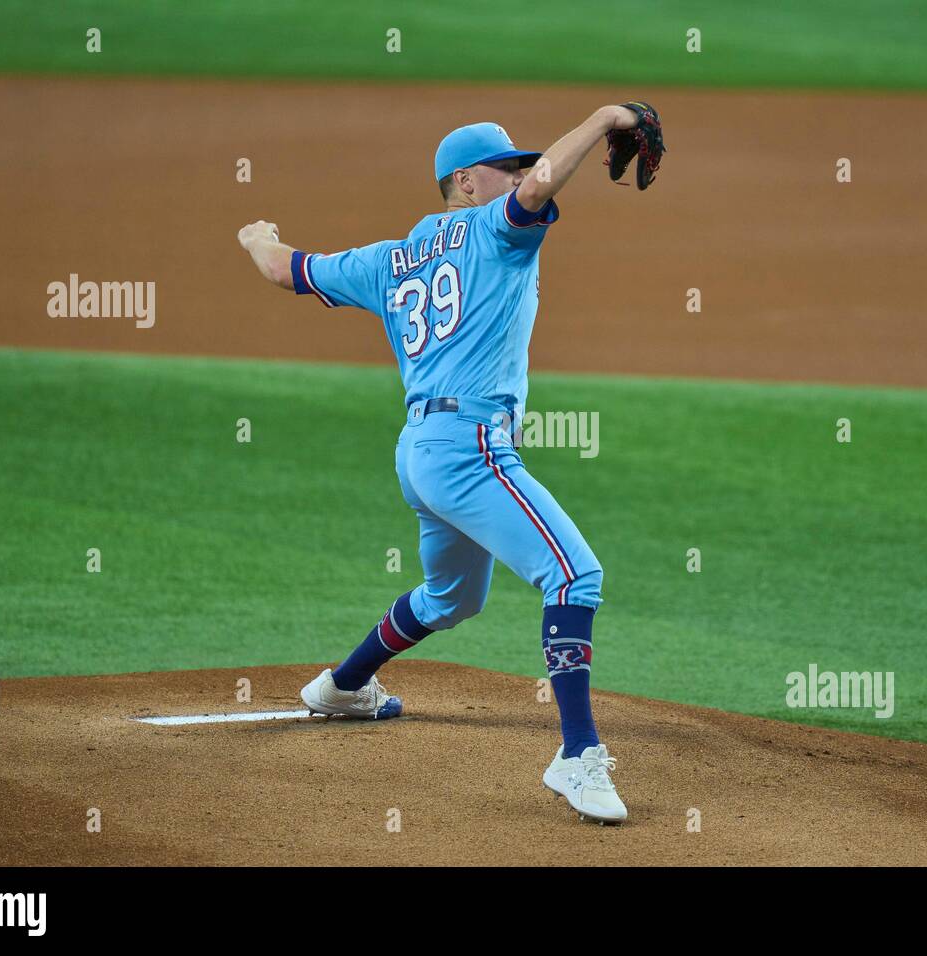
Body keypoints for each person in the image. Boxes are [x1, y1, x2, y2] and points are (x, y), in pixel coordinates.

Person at [237, 104, 648, 824]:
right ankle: (577, 755)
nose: (523, 174)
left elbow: (282, 270)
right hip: (470, 450)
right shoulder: (495, 231)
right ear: (465, 182)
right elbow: (542, 185)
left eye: (523, 164)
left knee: (454, 598)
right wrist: (605, 117)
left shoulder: (386, 258)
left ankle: (343, 686)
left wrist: (258, 236)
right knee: (575, 575)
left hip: (420, 454)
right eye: (507, 166)